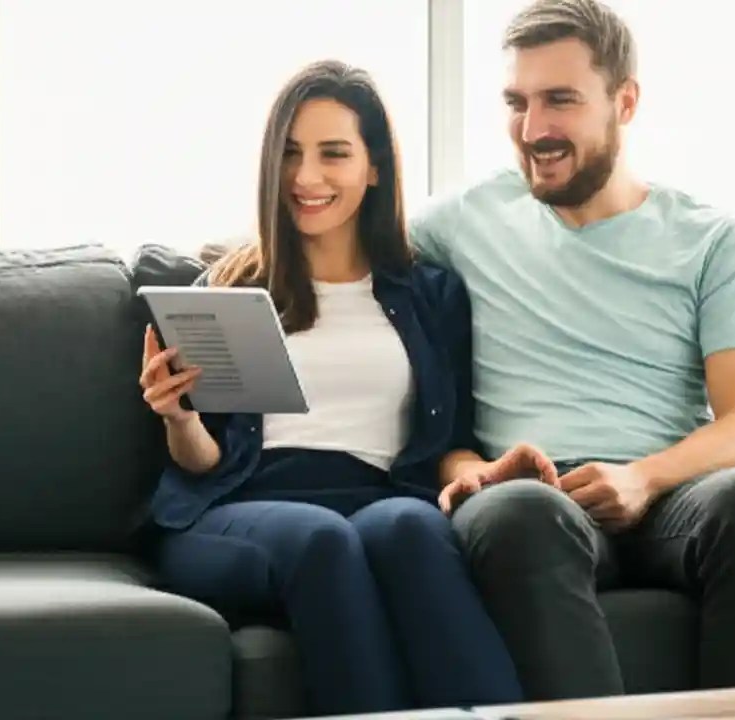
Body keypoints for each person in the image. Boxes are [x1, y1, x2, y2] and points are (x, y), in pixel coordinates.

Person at [411, 0, 735, 702]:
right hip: (537, 491)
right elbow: (327, 240)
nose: (533, 129)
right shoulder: (465, 219)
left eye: (561, 100)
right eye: (517, 102)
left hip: (673, 495)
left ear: (624, 102)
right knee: (516, 514)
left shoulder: (711, 241)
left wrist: (643, 478)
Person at [139, 60, 523, 715]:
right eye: (290, 155)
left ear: (374, 167)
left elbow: (447, 440)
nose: (306, 177)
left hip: (376, 494)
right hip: (242, 508)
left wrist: (482, 473)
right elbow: (206, 463)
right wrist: (179, 418)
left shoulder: (431, 295)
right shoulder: (228, 290)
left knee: (411, 525)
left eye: (333, 154)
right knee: (322, 541)